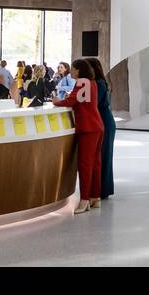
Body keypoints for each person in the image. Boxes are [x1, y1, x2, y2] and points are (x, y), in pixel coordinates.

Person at [53, 59, 103, 214]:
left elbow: (71, 101)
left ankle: (84, 200)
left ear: (79, 71)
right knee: (95, 164)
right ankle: (95, 197)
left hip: (87, 128)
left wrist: (56, 102)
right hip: (97, 125)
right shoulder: (92, 82)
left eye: (73, 69)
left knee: (85, 165)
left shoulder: (81, 82)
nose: (71, 71)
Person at [81, 57, 116, 202]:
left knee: (104, 156)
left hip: (104, 122)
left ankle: (103, 190)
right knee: (101, 156)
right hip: (102, 120)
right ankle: (100, 190)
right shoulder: (97, 83)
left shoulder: (99, 84)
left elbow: (92, 104)